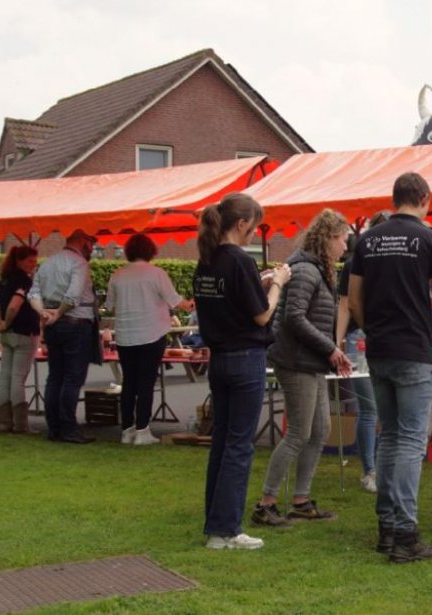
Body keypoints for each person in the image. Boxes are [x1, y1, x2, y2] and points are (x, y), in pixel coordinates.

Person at [348, 171, 432, 564]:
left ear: (394, 198)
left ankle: (387, 527)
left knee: (390, 437)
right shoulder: (431, 241)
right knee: (411, 441)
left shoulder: (367, 240)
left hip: (378, 350)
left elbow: (354, 301)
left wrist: (373, 329)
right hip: (413, 350)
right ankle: (405, 534)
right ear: (425, 198)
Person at [194, 193, 290, 551]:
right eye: (256, 226)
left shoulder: (208, 260)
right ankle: (227, 531)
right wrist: (278, 282)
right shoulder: (238, 260)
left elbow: (232, 301)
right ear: (242, 224)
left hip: (219, 359)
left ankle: (216, 525)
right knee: (239, 446)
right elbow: (263, 315)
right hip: (245, 357)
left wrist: (260, 284)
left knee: (222, 443)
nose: (255, 233)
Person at [255, 209, 352, 526]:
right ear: (329, 238)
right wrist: (331, 349)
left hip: (312, 362)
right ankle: (266, 502)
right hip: (296, 362)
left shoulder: (316, 269)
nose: (345, 248)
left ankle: (301, 499)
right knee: (299, 432)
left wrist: (330, 351)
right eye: (343, 240)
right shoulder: (307, 271)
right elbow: (294, 318)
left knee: (320, 429)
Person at [105, 233, 194, 446]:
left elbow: (109, 306)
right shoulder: (157, 274)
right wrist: (192, 303)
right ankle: (143, 430)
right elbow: (175, 300)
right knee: (146, 382)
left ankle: (127, 430)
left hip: (126, 335)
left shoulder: (117, 275)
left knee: (129, 382)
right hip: (152, 334)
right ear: (150, 251)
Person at [336, 210, 392, 494]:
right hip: (361, 339)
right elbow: (345, 305)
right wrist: (337, 343)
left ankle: (378, 468)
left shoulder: (375, 262)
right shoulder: (355, 264)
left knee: (379, 410)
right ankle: (370, 470)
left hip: (376, 337)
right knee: (371, 409)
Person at [29, 229, 101, 444]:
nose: (92, 247)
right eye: (90, 242)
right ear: (81, 241)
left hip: (53, 325)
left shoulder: (48, 262)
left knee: (55, 377)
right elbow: (73, 295)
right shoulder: (79, 263)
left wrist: (43, 313)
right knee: (72, 378)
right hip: (76, 323)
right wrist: (59, 312)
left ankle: (54, 428)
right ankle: (69, 428)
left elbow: (33, 292)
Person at [0, 246, 40, 433]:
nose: (33, 265)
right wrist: (8, 321)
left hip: (7, 335)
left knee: (5, 376)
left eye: (35, 262)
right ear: (19, 261)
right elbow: (14, 306)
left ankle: (5, 422)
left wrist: (1, 324)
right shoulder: (24, 281)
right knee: (18, 378)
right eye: (30, 261)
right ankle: (20, 425)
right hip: (24, 333)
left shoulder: (4, 280)